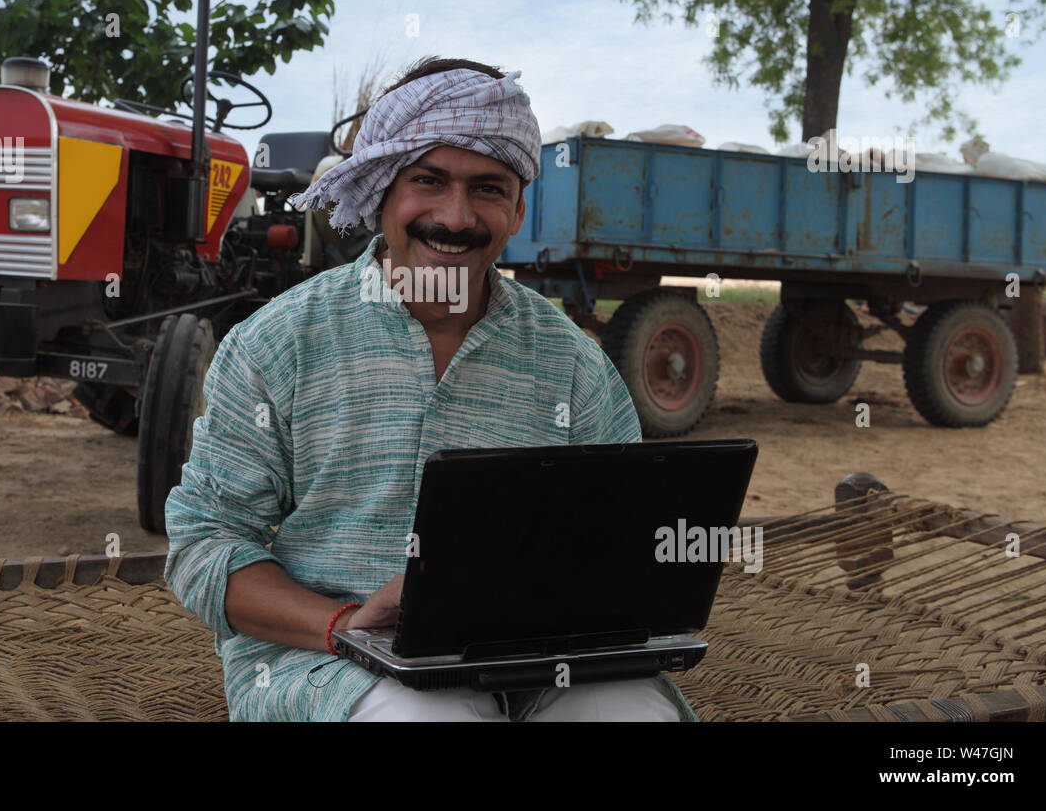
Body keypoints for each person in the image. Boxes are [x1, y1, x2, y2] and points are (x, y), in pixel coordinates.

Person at [164, 56, 696, 722]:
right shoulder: (275, 346)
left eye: (488, 189)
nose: (456, 216)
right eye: (428, 180)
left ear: (518, 207)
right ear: (382, 187)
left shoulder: (574, 367)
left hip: (542, 662)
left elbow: (627, 544)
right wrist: (347, 621)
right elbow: (206, 544)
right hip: (325, 661)